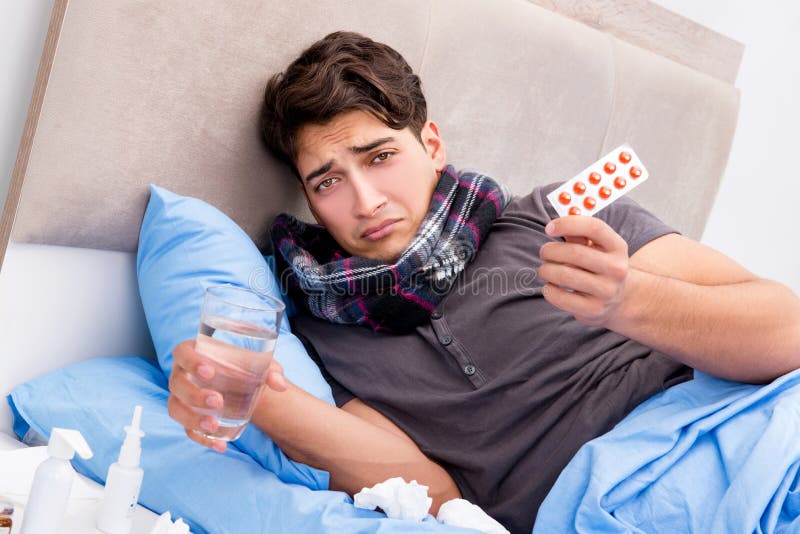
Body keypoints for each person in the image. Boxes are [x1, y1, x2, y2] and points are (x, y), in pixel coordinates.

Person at [167, 31, 800, 533]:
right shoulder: (329, 333)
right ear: (309, 199)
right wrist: (261, 399)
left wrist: (630, 299)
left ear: (432, 145)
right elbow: (434, 494)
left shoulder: (557, 214)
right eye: (328, 181)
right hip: (612, 504)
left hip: (749, 431)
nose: (366, 201)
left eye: (380, 157)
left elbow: (788, 334)